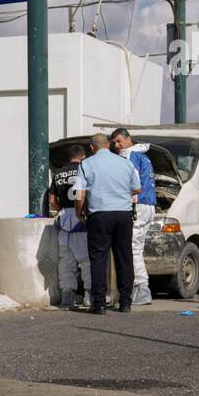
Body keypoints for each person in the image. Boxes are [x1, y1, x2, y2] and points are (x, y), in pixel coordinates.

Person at [75, 132, 141, 315]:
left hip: (99, 216)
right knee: (124, 258)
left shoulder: (86, 164)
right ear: (108, 145)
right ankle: (126, 302)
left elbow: (79, 194)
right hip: (123, 214)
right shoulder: (125, 163)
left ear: (91, 148)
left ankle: (99, 304)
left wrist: (79, 212)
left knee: (98, 259)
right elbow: (137, 188)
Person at [111, 128, 156, 306]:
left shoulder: (129, 156)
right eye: (114, 142)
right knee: (138, 247)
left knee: (132, 248)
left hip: (138, 204)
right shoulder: (144, 156)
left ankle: (141, 288)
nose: (116, 145)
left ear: (128, 139)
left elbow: (129, 181)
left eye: (119, 141)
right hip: (149, 204)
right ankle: (141, 287)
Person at [49, 145, 90, 309]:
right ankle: (90, 296)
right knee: (86, 260)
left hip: (64, 219)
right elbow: (84, 194)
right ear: (83, 157)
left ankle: (67, 296)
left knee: (65, 261)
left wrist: (62, 211)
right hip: (81, 217)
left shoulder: (58, 173)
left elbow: (52, 199)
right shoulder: (85, 169)